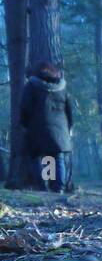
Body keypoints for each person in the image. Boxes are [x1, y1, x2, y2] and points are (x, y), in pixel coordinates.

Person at [18, 61, 74, 192]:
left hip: (38, 128)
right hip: (60, 129)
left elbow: (25, 107)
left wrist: (25, 124)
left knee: (39, 157)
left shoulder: (31, 85)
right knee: (56, 157)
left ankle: (43, 188)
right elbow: (69, 110)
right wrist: (69, 128)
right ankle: (58, 188)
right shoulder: (62, 87)